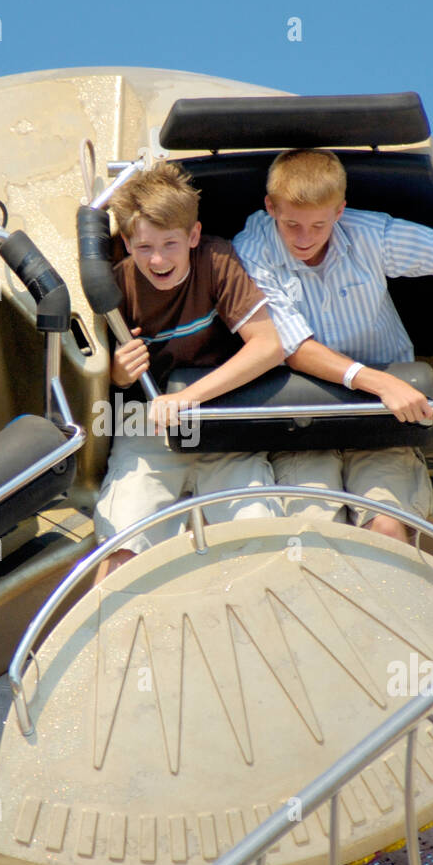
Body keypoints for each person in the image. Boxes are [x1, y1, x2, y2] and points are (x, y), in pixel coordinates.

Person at [233, 148, 433, 542]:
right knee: (313, 532)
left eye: (319, 225)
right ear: (270, 208)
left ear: (339, 212)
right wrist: (381, 383)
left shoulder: (368, 233)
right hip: (305, 420)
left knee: (387, 527)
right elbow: (291, 346)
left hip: (384, 420)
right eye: (292, 225)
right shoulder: (253, 247)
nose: (304, 239)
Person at [93, 161, 285, 581]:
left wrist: (186, 398)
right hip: (148, 432)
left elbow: (269, 345)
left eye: (170, 244)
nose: (158, 259)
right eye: (144, 247)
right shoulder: (114, 283)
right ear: (126, 243)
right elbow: (95, 374)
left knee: (257, 540)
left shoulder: (216, 260)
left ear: (193, 236)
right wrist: (119, 375)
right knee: (123, 543)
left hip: (221, 423)